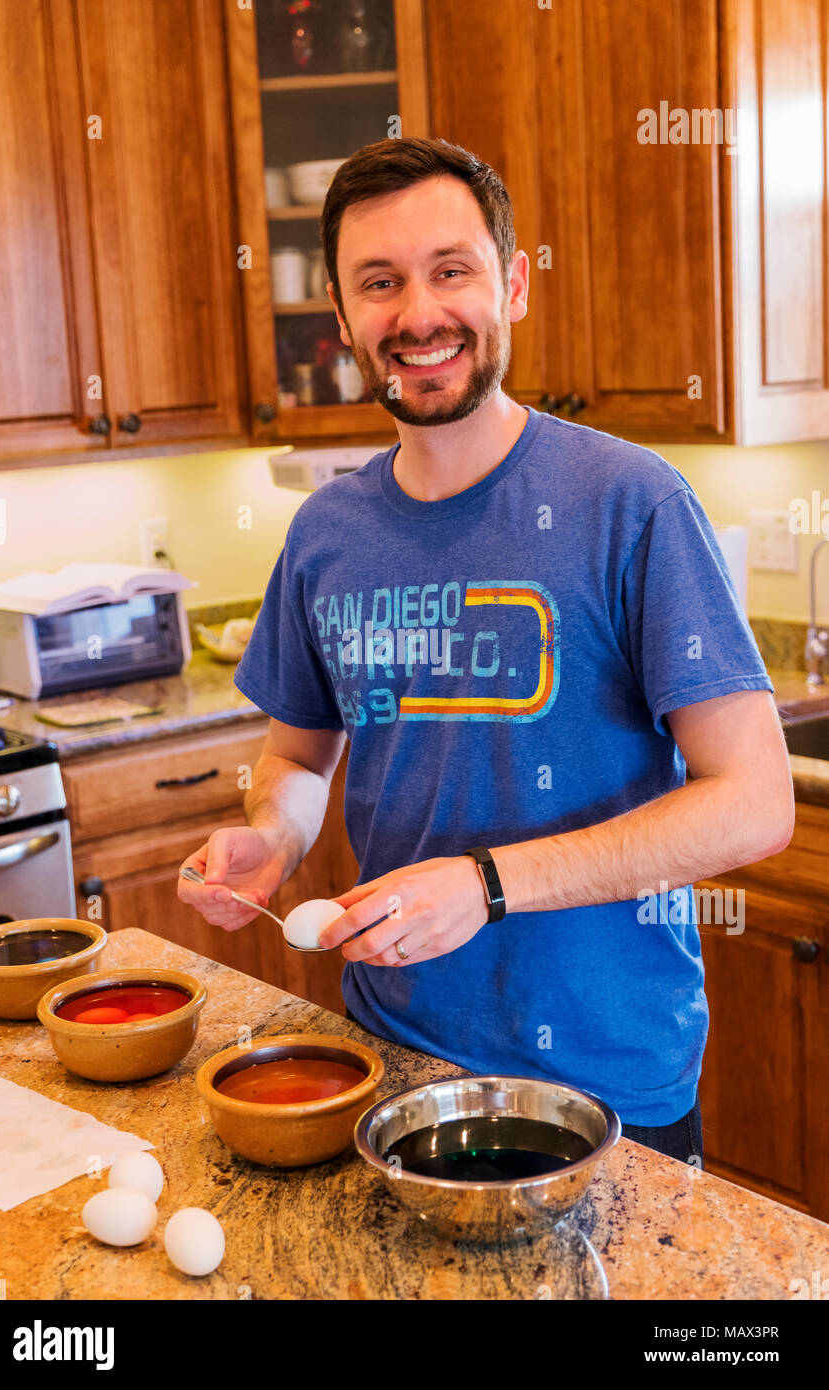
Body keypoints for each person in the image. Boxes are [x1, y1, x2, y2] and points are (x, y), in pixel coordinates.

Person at [178, 137, 794, 1164]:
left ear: (510, 285)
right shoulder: (327, 533)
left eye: (449, 270)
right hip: (397, 1060)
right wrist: (271, 836)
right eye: (379, 283)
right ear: (342, 318)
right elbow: (296, 755)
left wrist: (486, 883)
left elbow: (753, 800)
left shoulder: (629, 503)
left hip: (604, 1082)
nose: (417, 314)